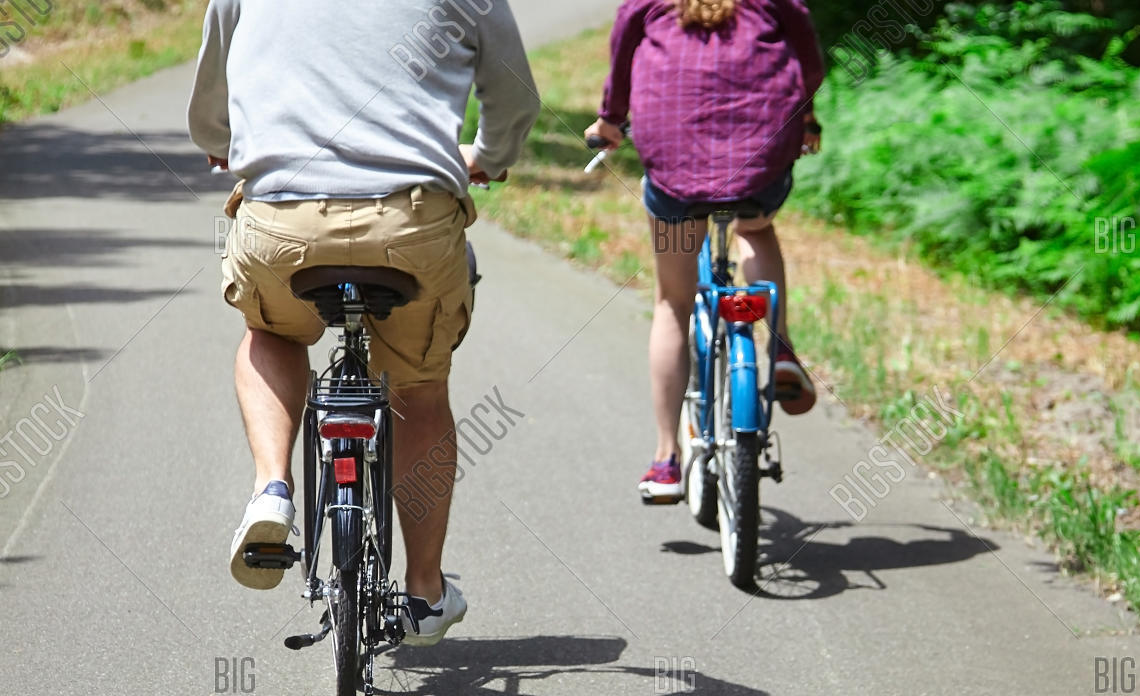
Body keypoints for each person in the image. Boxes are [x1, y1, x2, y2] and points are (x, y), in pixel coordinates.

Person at [187, 0, 539, 644]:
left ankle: (272, 488)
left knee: (270, 332)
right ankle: (426, 593)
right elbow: (515, 99)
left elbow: (211, 111)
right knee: (419, 386)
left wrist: (225, 147)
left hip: (282, 219)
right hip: (411, 222)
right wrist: (485, 155)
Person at [584, 0, 824, 503]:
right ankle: (778, 346)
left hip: (676, 180)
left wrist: (609, 123)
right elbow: (810, 62)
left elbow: (620, 69)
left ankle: (667, 458)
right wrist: (807, 119)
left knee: (673, 302)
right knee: (754, 228)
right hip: (760, 163)